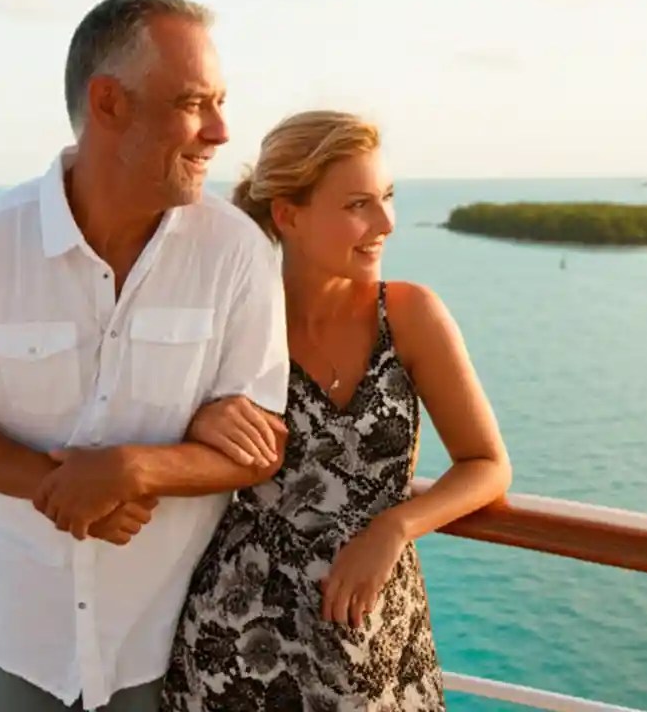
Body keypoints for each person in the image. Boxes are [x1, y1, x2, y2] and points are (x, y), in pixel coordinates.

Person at [0, 0, 290, 710]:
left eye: (221, 102)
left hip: (166, 634)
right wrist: (64, 492)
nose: (220, 130)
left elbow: (260, 446)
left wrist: (130, 470)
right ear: (109, 102)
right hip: (18, 626)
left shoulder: (236, 252)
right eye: (194, 103)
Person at [160, 110, 513, 711]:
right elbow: (155, 423)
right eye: (358, 205)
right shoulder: (240, 323)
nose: (386, 223)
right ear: (288, 215)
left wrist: (394, 528)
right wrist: (196, 421)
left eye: (388, 198)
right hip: (240, 634)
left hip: (373, 637)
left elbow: (487, 465)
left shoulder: (408, 316)